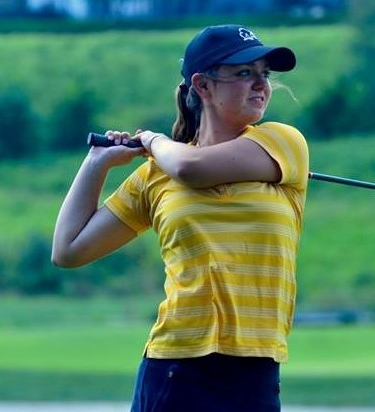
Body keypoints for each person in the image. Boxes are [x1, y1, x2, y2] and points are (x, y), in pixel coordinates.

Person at [52, 24, 309, 411]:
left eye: (264, 74)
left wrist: (155, 141)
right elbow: (69, 250)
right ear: (203, 87)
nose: (261, 84)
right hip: (174, 367)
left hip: (255, 369)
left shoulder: (282, 143)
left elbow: (192, 168)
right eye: (244, 73)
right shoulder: (156, 176)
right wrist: (95, 165)